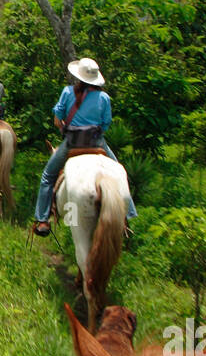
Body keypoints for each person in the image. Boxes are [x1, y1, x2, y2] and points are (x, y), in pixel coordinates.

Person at [31, 57, 137, 237]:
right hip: (97, 142)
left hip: (72, 142)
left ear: (78, 77)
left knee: (48, 177)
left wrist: (64, 127)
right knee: (120, 171)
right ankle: (127, 214)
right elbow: (105, 124)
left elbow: (58, 120)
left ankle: (42, 219)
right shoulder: (104, 97)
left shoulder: (67, 92)